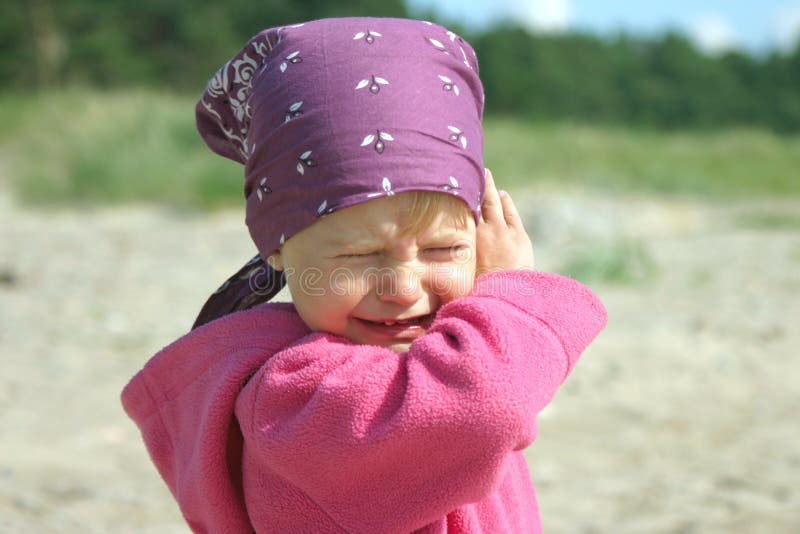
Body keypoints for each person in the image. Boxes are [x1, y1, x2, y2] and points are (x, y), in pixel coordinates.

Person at [121, 17, 607, 533]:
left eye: (444, 248)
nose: (402, 290)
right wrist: (507, 296)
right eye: (357, 256)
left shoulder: (454, 348)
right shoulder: (295, 398)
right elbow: (487, 407)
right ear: (278, 248)